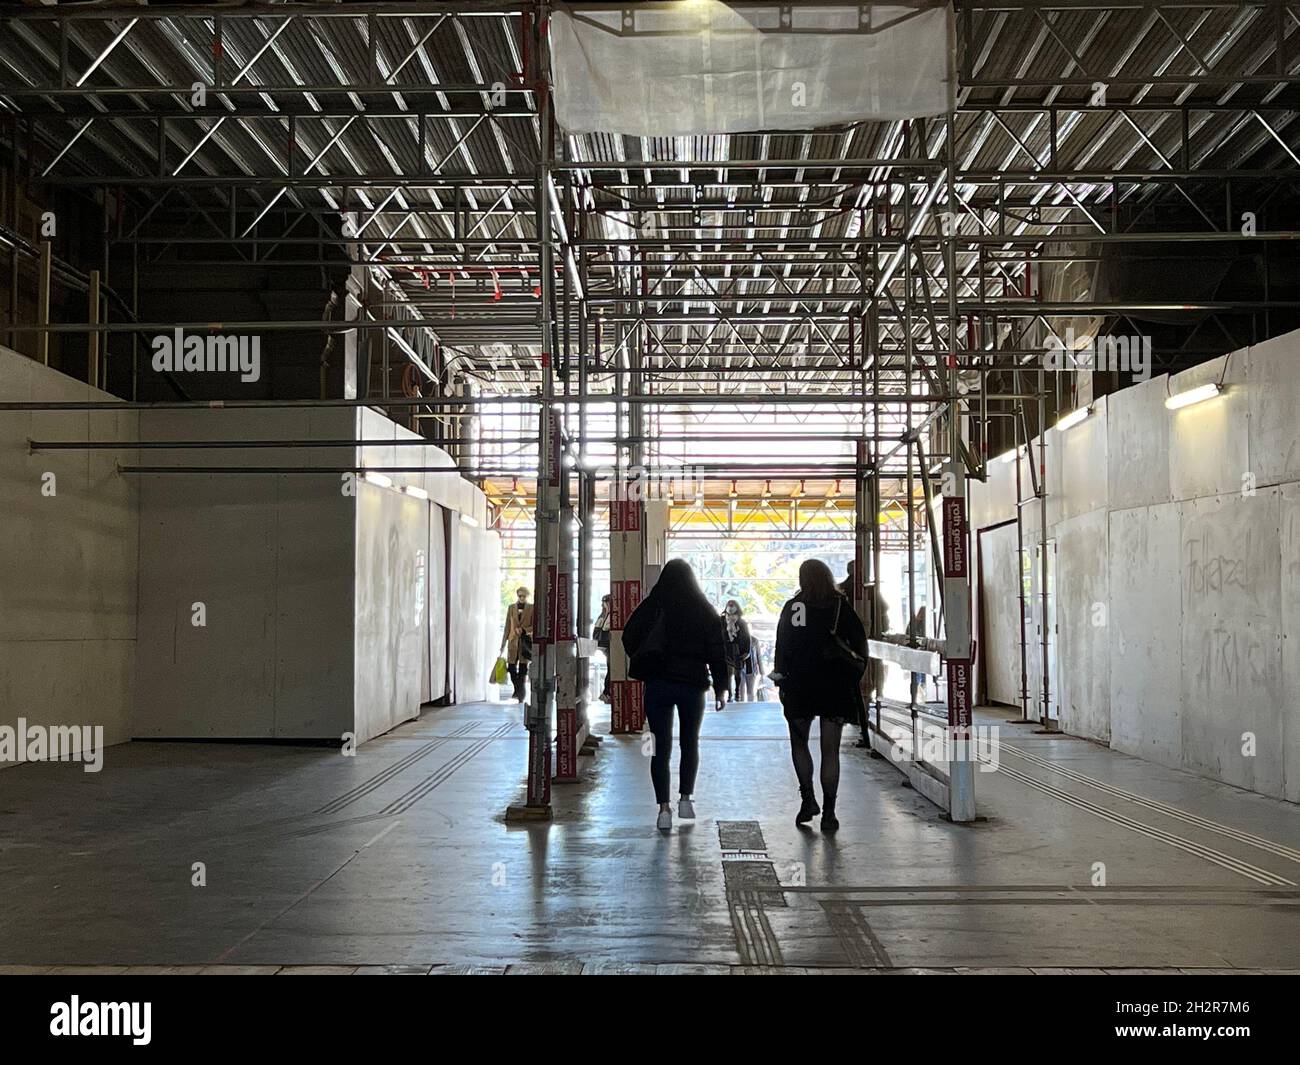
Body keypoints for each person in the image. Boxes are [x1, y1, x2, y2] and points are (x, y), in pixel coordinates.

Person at [622, 559, 728, 832]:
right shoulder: (703, 609)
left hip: (658, 683)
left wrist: (645, 657)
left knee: (659, 747)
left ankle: (663, 810)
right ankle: (685, 799)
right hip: (692, 685)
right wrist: (721, 687)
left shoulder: (654, 604)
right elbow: (717, 651)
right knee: (690, 742)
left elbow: (628, 635)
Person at [773, 559, 868, 832]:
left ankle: (807, 801)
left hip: (800, 683)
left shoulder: (795, 607)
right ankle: (829, 812)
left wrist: (781, 678)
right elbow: (860, 647)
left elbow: (783, 645)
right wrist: (852, 679)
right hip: (834, 686)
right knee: (831, 751)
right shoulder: (840, 606)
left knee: (799, 743)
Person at [500, 586, 534, 703]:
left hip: (524, 642)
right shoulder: (511, 608)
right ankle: (518, 689)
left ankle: (521, 696)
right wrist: (503, 644)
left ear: (527, 596)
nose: (521, 598)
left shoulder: (531, 608)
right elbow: (507, 626)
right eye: (520, 595)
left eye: (524, 596)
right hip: (513, 641)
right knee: (511, 668)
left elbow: (534, 626)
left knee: (523, 670)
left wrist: (524, 630)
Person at [720, 599, 752, 701]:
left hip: (738, 649)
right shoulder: (721, 621)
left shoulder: (742, 622)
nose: (730, 616)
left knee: (737, 673)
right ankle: (729, 694)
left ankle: (737, 691)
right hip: (725, 649)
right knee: (727, 673)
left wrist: (747, 651)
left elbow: (747, 637)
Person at [593, 594, 613, 703]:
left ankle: (607, 692)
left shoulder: (605, 615)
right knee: (611, 668)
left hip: (606, 646)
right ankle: (607, 692)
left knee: (611, 668)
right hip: (607, 646)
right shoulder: (606, 616)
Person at [908, 605, 929, 706]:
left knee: (916, 675)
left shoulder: (913, 622)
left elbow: (907, 634)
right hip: (921, 652)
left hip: (914, 653)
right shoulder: (924, 624)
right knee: (920, 675)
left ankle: (915, 697)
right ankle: (921, 695)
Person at [740, 637, 765, 702]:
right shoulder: (737, 639)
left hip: (752, 669)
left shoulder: (754, 640)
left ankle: (750, 706)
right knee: (741, 690)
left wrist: (762, 671)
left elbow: (759, 656)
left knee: (750, 692)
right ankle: (741, 707)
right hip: (740, 668)